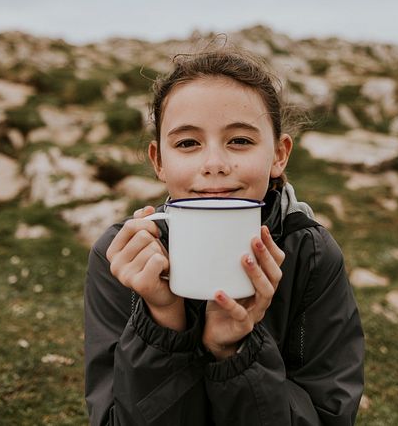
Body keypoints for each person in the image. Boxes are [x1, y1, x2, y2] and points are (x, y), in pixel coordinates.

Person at [84, 48, 365, 425]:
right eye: (187, 143)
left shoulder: (310, 253)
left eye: (240, 141)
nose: (214, 164)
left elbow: (330, 414)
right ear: (159, 162)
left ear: (279, 155)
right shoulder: (121, 259)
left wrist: (235, 350)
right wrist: (163, 322)